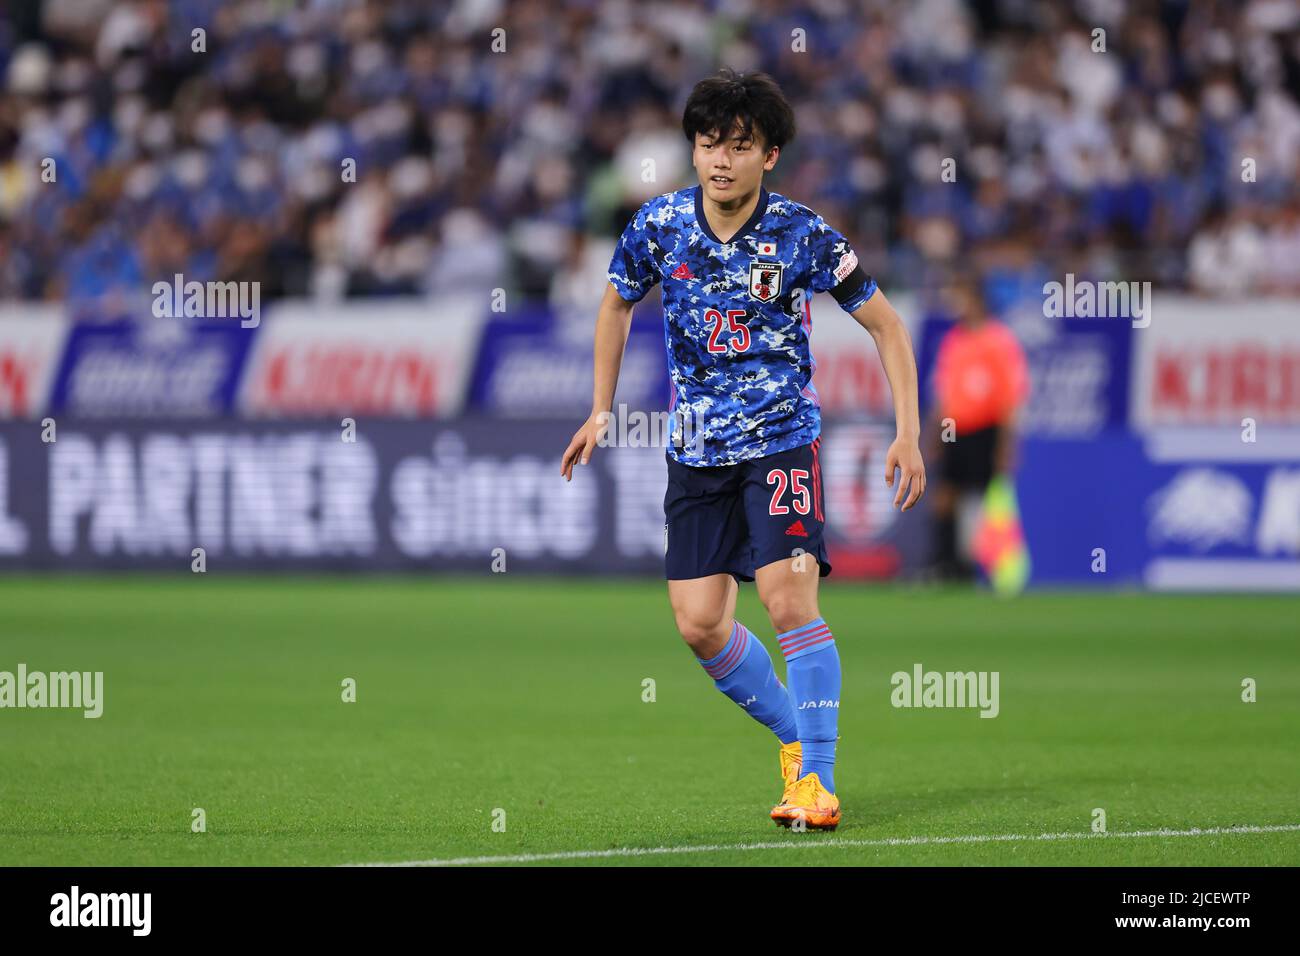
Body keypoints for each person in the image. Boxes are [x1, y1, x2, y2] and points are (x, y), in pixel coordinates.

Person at [561, 69, 924, 830]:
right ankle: (798, 739)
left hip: (781, 444)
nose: (720, 160)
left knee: (788, 596)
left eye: (739, 145)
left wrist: (909, 431)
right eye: (707, 143)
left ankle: (818, 782)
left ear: (771, 155)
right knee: (698, 622)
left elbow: (888, 326)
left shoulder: (804, 235)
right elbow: (615, 303)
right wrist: (600, 408)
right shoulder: (659, 226)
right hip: (695, 451)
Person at [927, 271, 1029, 580]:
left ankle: (992, 566)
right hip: (955, 430)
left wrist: (1006, 443)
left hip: (986, 430)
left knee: (986, 502)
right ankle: (946, 565)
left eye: (962, 297)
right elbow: (944, 394)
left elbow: (1011, 397)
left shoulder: (998, 340)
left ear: (978, 301)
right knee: (945, 497)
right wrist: (936, 436)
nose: (956, 304)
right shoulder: (954, 340)